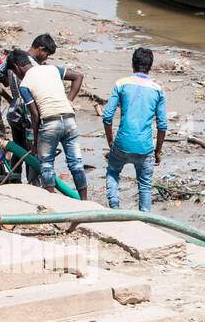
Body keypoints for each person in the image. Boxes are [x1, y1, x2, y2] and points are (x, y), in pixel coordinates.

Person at [12, 50, 88, 200]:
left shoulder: (25, 84)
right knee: (76, 164)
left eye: (14, 72)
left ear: (16, 67)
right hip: (69, 120)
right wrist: (69, 101)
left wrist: (35, 142)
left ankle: (52, 203)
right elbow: (78, 76)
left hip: (50, 123)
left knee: (46, 165)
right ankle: (85, 202)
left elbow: (35, 115)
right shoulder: (52, 69)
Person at [102, 47, 168, 212]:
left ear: (132, 64)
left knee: (113, 172)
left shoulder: (121, 84)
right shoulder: (158, 90)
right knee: (144, 185)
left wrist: (110, 140)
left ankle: (115, 208)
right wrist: (158, 151)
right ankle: (144, 221)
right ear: (150, 67)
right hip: (145, 147)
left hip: (122, 143)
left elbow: (107, 116)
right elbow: (162, 125)